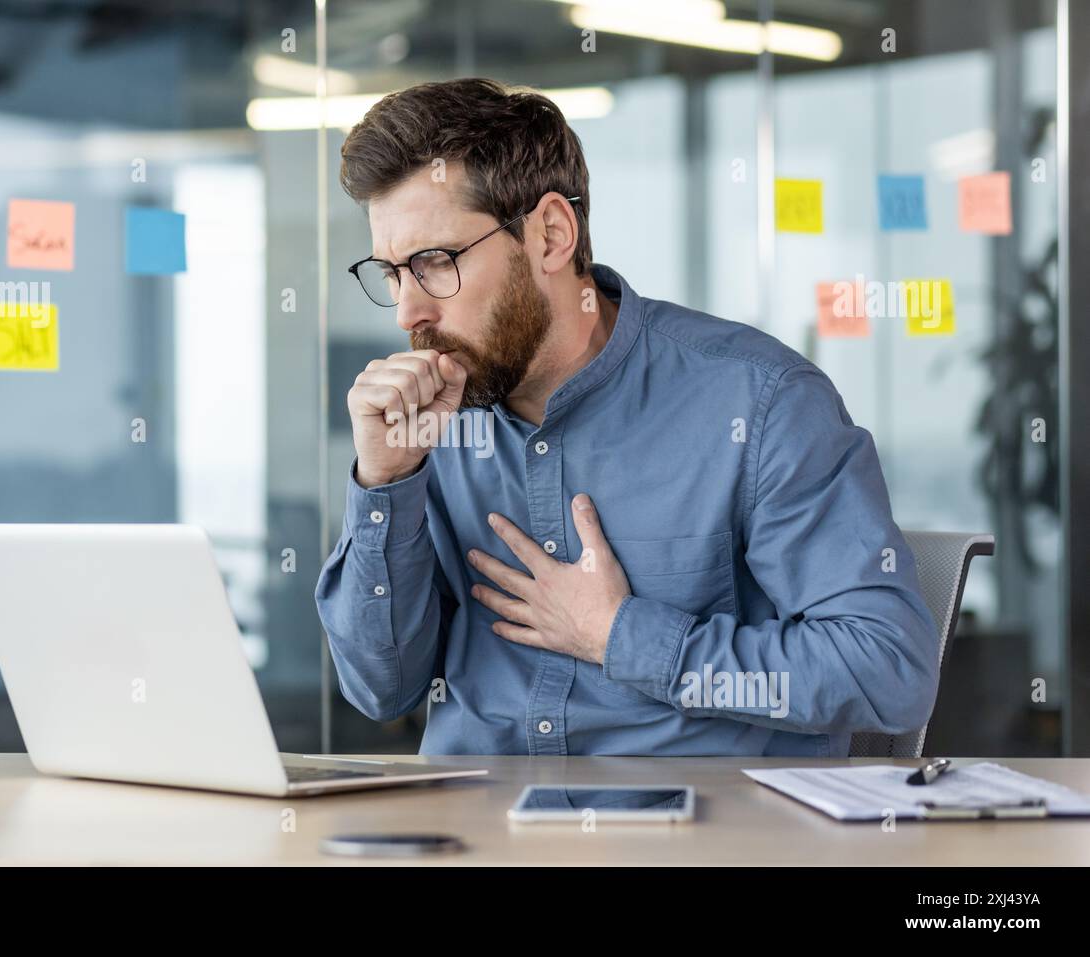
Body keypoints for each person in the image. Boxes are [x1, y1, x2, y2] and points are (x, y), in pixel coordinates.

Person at [315, 77, 938, 758]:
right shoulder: (432, 425)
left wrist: (620, 635)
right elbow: (381, 689)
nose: (409, 312)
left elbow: (889, 670)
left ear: (551, 234)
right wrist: (384, 483)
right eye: (392, 274)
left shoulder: (757, 402)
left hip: (692, 837)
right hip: (473, 837)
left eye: (435, 263)